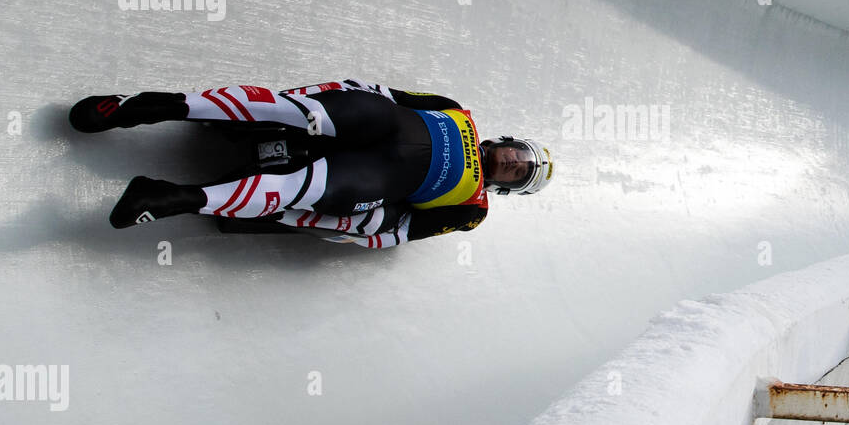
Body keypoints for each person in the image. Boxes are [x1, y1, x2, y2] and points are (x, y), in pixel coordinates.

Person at [68, 79, 553, 248]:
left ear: (506, 187)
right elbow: (385, 93)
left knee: (308, 190)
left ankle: (173, 198)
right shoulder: (453, 108)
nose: (513, 162)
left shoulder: (472, 210)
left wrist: (356, 227)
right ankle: (149, 106)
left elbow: (403, 231)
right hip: (376, 122)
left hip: (378, 179)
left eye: (518, 172)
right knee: (300, 111)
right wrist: (311, 93)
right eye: (520, 155)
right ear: (507, 140)